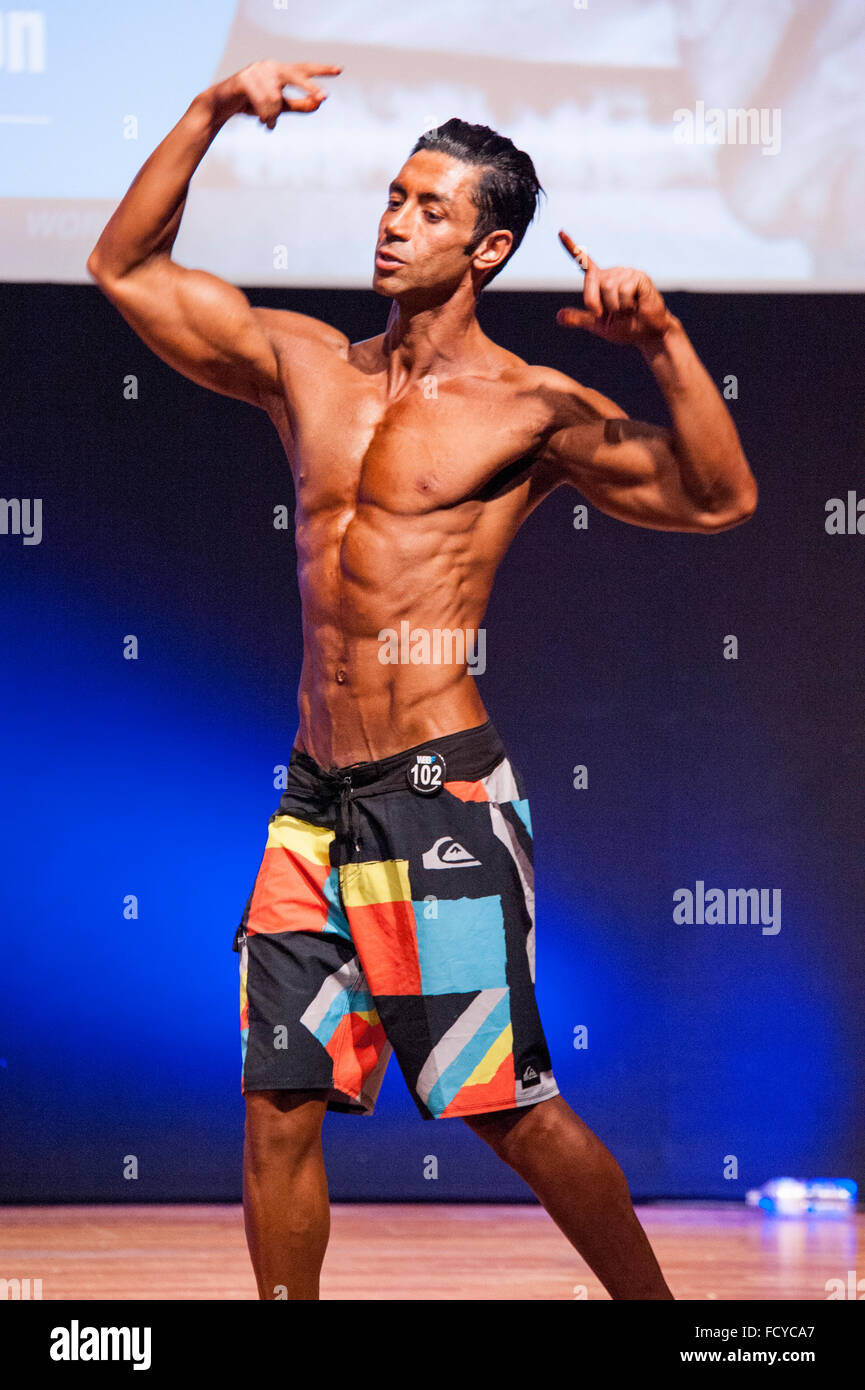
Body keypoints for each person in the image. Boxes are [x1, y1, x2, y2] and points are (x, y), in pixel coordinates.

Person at [87, 59, 757, 1301]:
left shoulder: (528, 408)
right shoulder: (307, 368)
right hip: (311, 802)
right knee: (278, 1101)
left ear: (490, 247)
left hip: (439, 798)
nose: (393, 221)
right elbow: (124, 270)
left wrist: (662, 344)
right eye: (392, 197)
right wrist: (213, 111)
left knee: (506, 1110)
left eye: (429, 208)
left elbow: (720, 499)